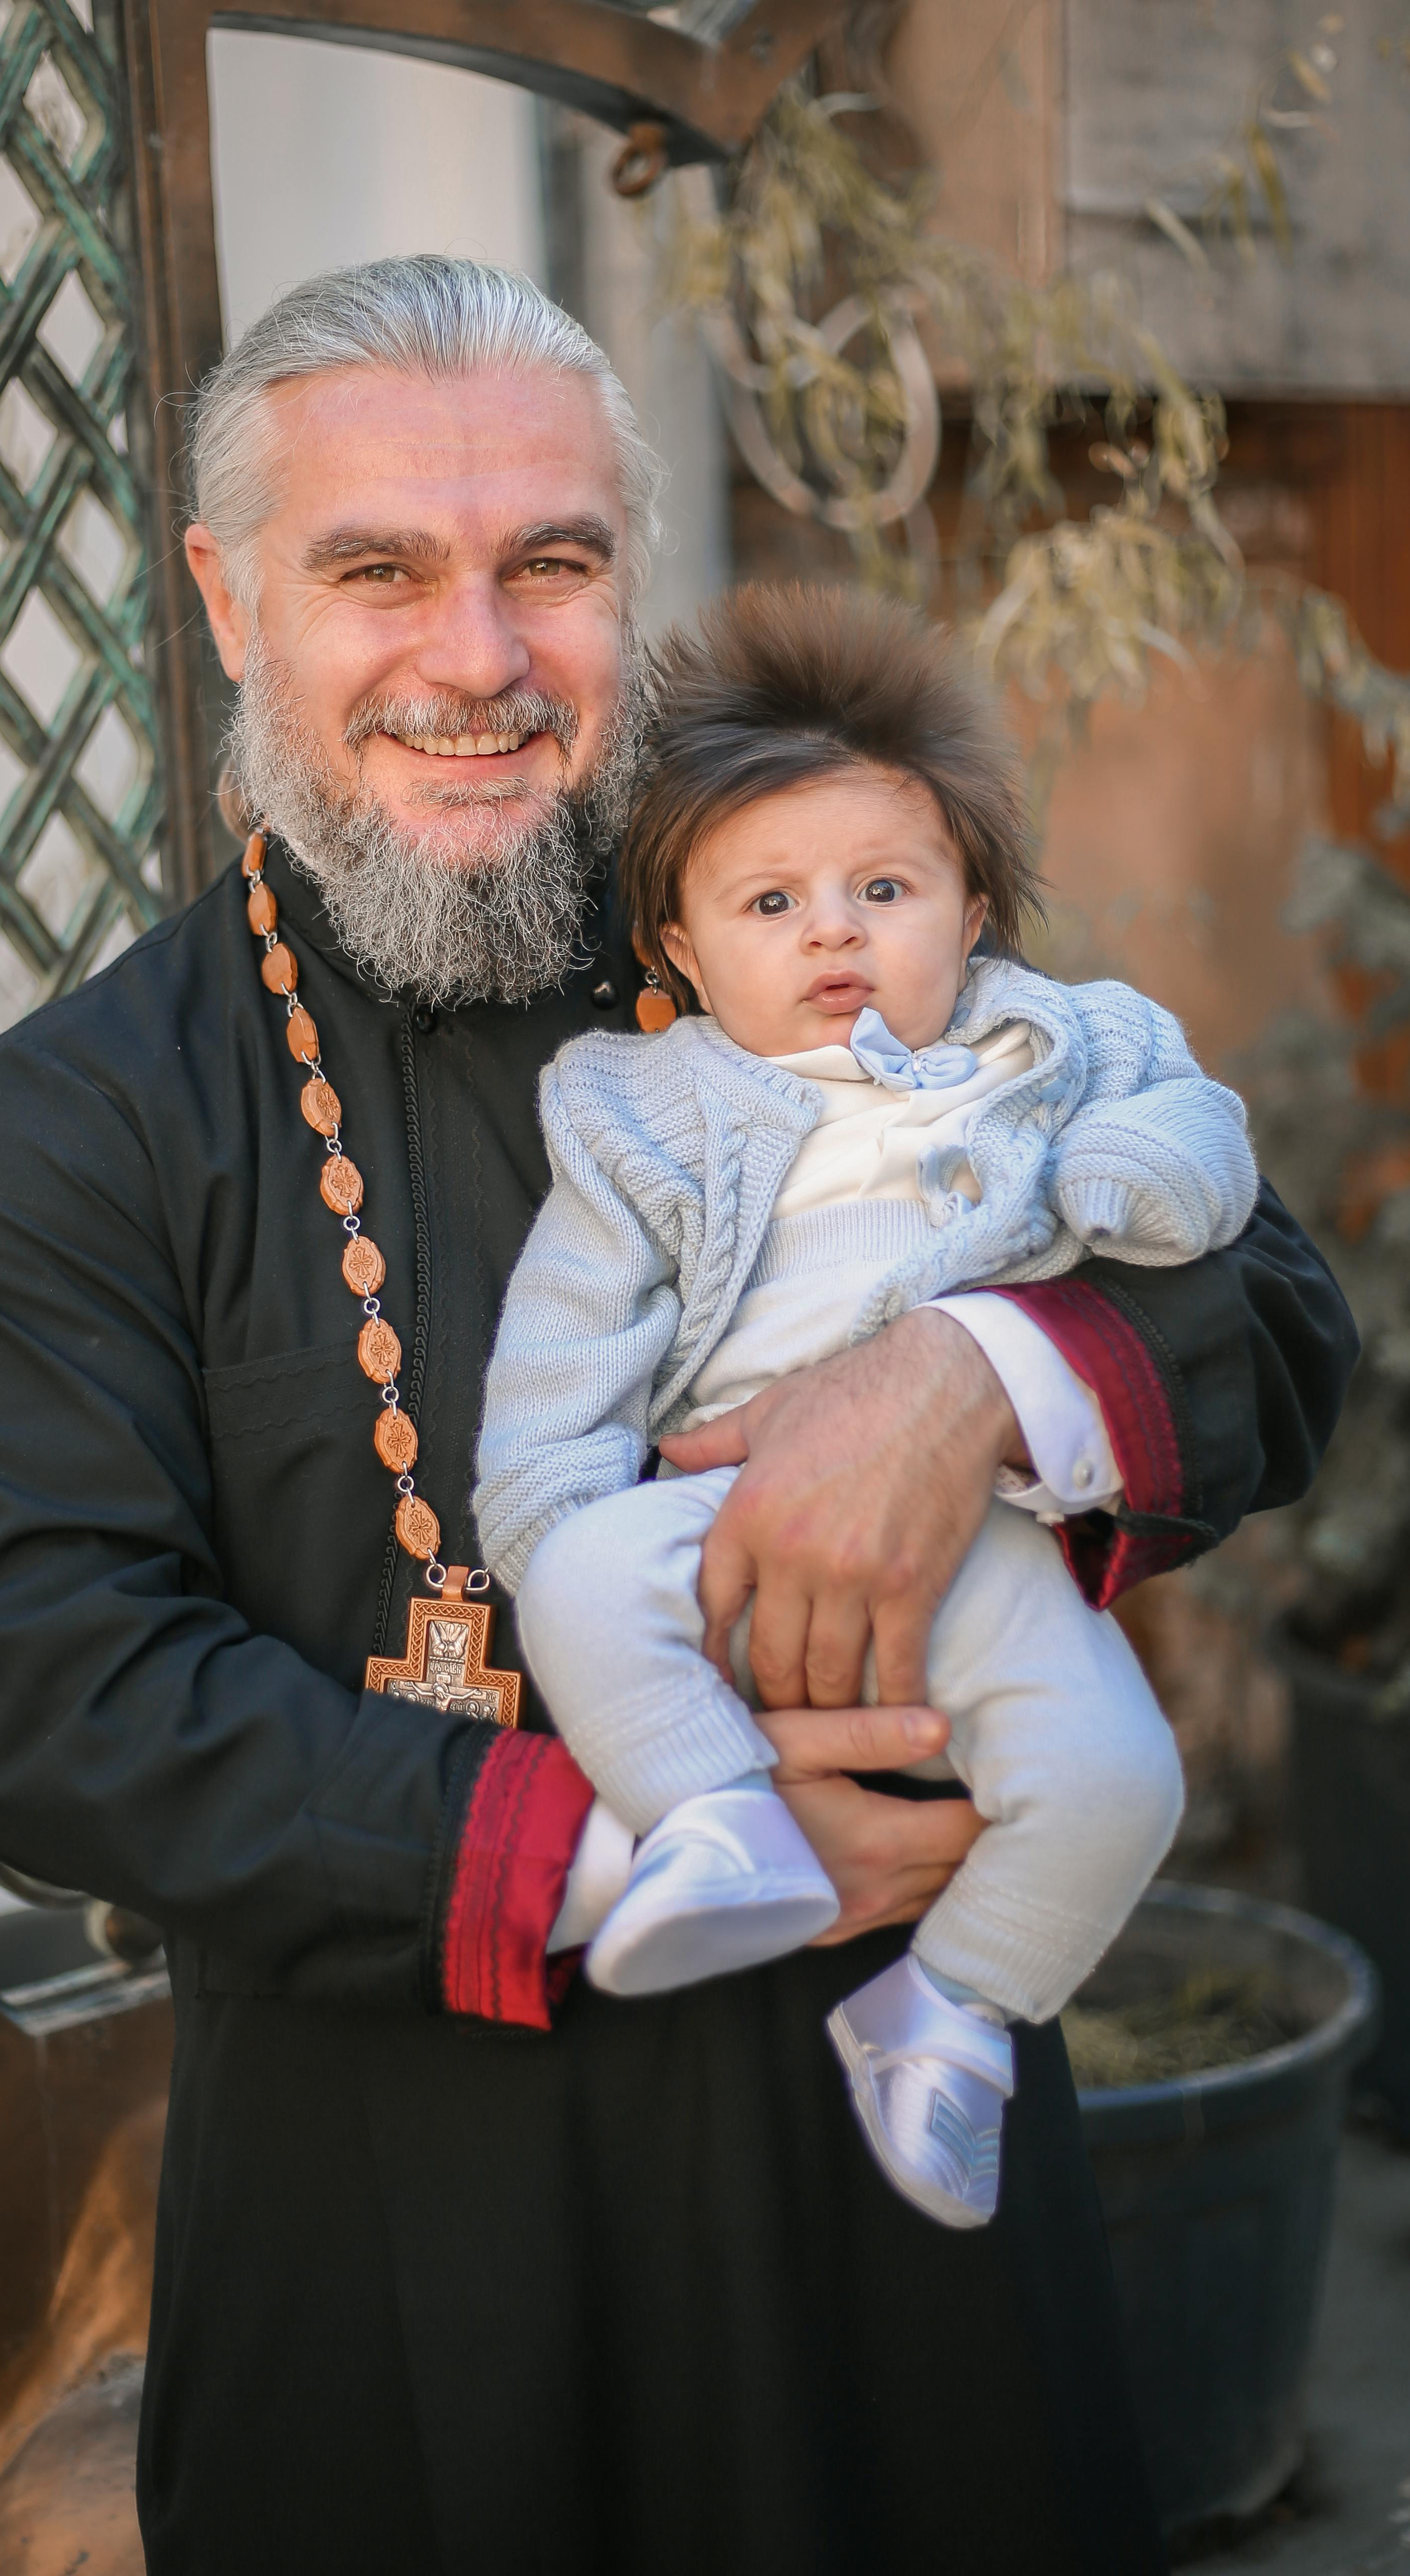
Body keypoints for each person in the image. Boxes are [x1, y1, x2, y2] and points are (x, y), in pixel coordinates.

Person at [0, 256, 1357, 2576]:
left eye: (550, 565)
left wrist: (963, 1381)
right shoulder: (91, 1120)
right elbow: (54, 1704)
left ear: (627, 590)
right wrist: (632, 1844)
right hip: (392, 2228)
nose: (476, 657)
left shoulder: (799, 920)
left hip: (887, 2193)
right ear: (230, 599)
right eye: (378, 570)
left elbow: (1268, 1316)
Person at [476, 584, 1255, 2228]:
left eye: (883, 889)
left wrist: (1131, 1172)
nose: (833, 933)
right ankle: (714, 1819)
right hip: (724, 1518)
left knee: (1124, 1776)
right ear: (681, 951)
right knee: (578, 1571)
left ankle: (952, 2012)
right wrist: (565, 1531)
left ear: (971, 912)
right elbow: (561, 1360)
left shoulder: (1056, 1044)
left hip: (984, 1538)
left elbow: (1204, 1132)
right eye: (770, 901)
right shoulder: (645, 1115)